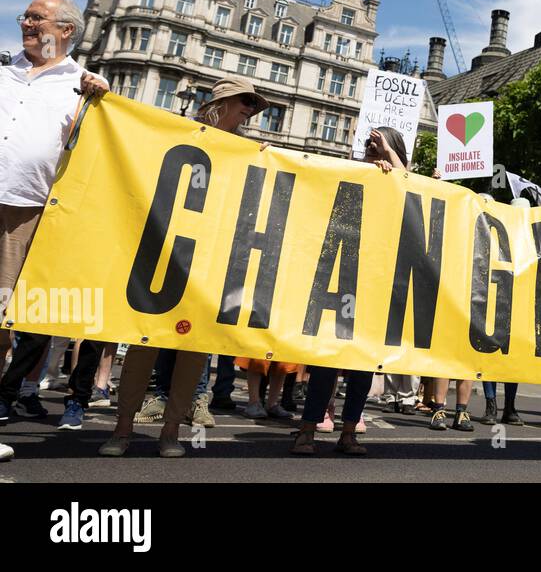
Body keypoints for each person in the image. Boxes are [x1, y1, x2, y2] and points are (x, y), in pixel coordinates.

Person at [100, 77, 269, 457]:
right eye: (245, 101)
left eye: (254, 105)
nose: (250, 110)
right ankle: (122, 429)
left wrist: (264, 159)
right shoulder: (176, 132)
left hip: (209, 259)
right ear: (223, 101)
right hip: (163, 251)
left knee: (194, 348)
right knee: (145, 343)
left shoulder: (248, 149)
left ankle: (171, 433)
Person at [0, 0, 108, 459]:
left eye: (36, 17)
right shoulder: (3, 71)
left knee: (2, 324)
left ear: (65, 30)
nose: (25, 22)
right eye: (25, 15)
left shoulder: (84, 88)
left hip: (24, 212)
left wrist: (101, 104)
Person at [292, 126, 407, 455]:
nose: (372, 149)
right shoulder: (351, 169)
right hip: (339, 277)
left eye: (378, 144)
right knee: (326, 360)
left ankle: (348, 433)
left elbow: (409, 188)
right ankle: (307, 430)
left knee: (361, 365)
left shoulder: (393, 177)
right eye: (369, 144)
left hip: (374, 284)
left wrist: (389, 155)